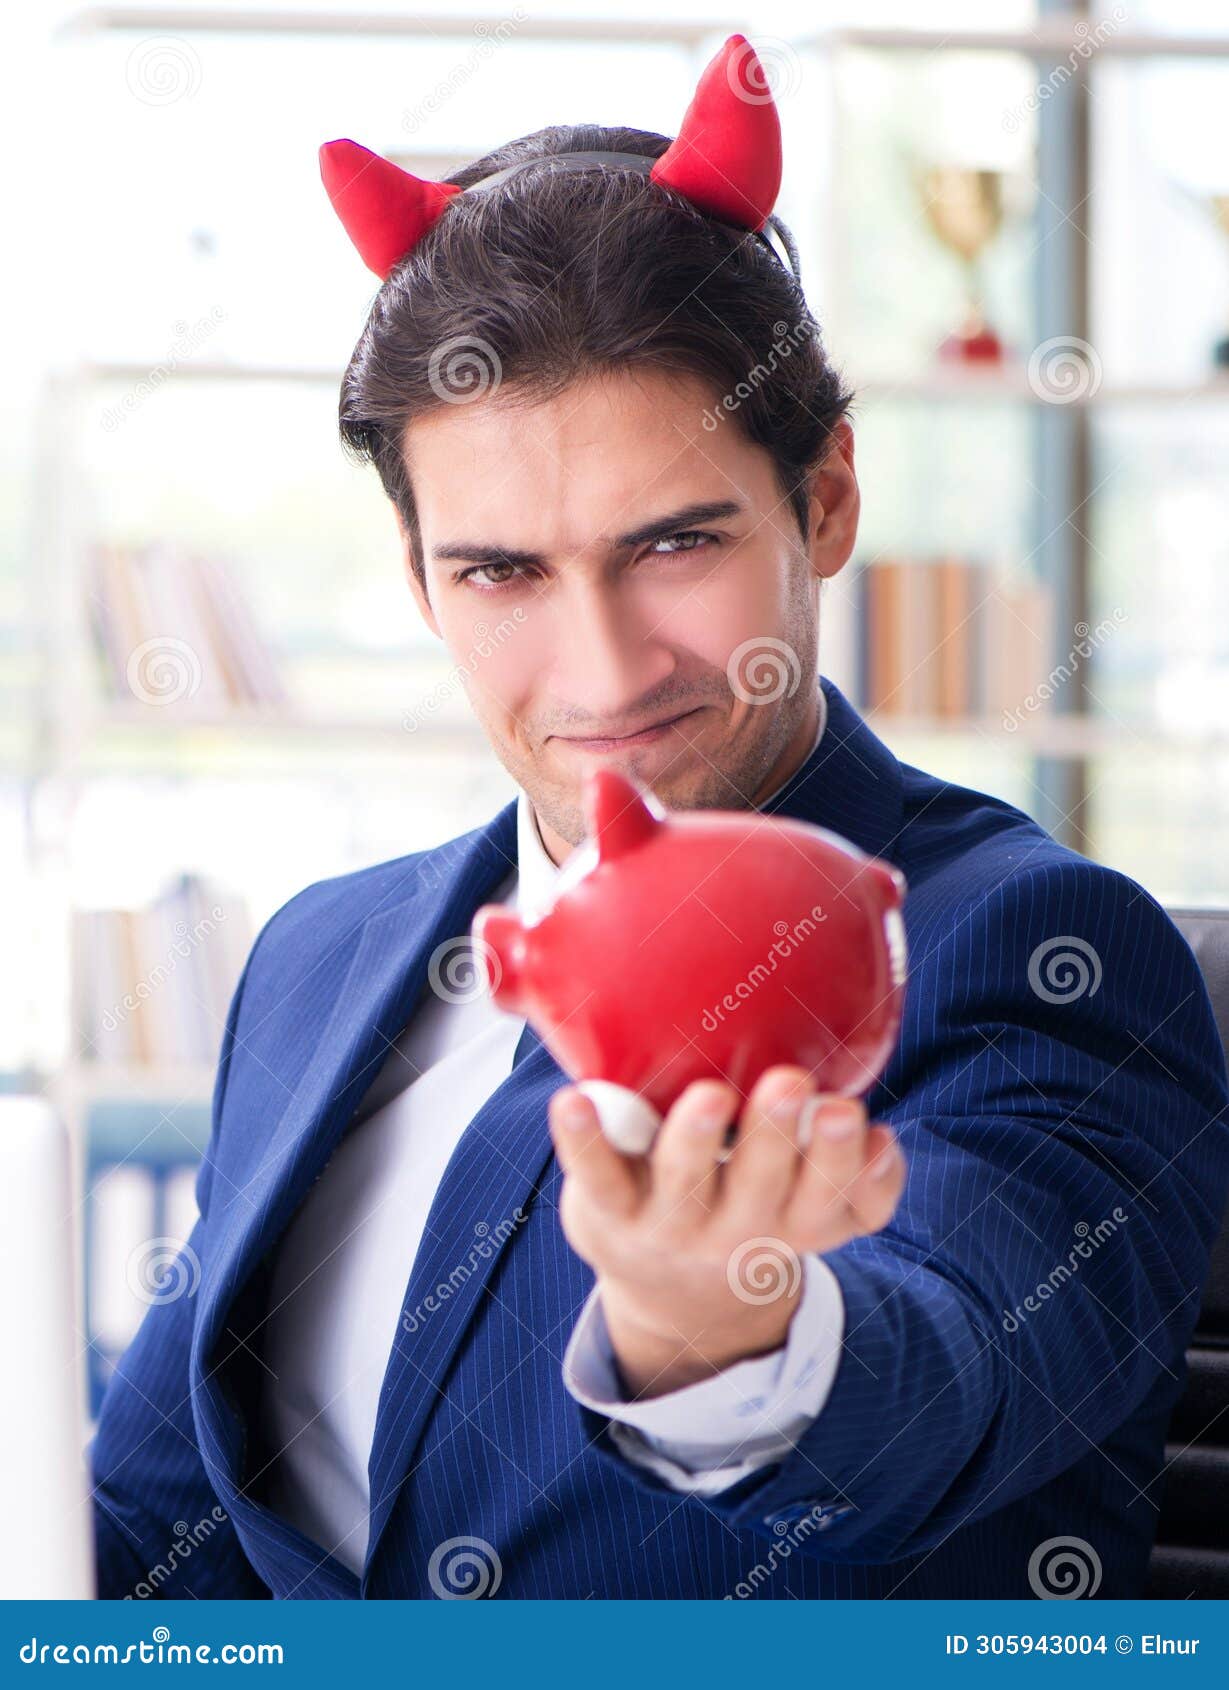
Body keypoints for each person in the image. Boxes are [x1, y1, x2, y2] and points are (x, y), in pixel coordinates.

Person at [91, 35, 1229, 1600]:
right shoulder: (320, 955)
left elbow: (952, 1377)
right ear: (420, 576)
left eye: (674, 543)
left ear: (823, 498)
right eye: (501, 571)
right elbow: (147, 1539)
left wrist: (725, 1337)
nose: (606, 667)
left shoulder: (1032, 946)